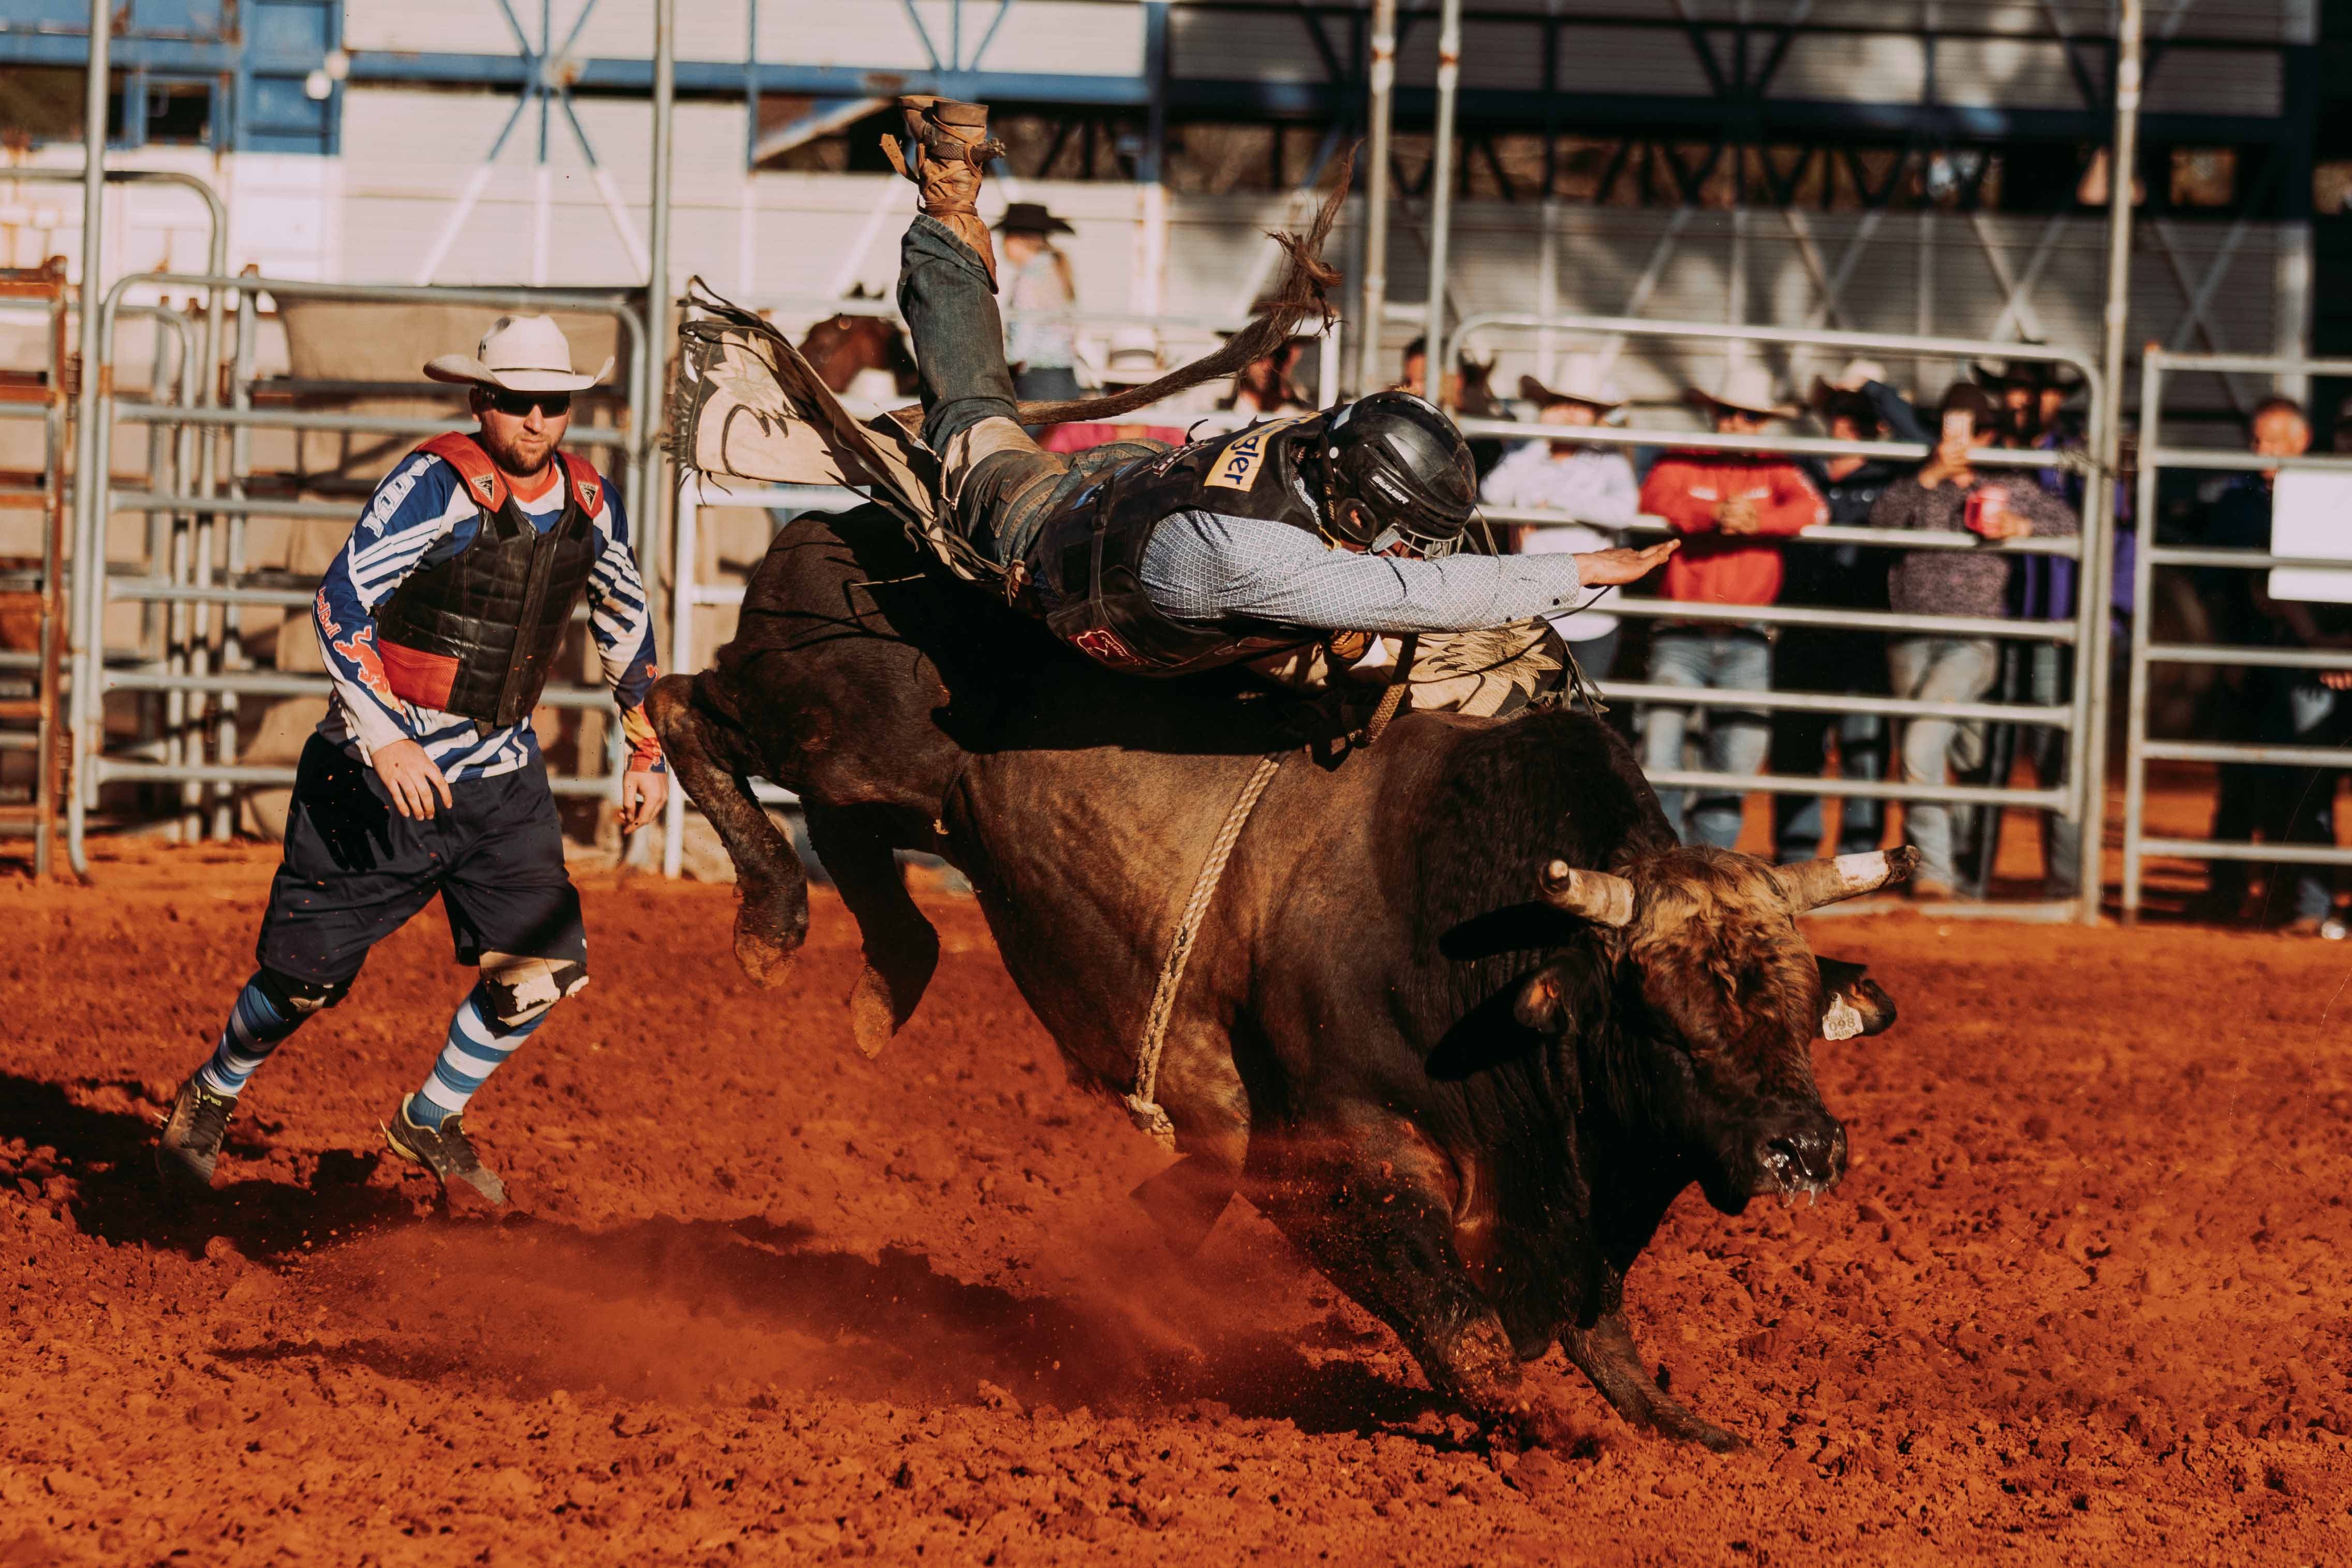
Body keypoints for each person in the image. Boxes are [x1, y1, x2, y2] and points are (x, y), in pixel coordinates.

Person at [881, 95, 1673, 679]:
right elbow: (1415, 590)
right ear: (1358, 511)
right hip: (1044, 530)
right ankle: (946, 197)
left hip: (1134, 493)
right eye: (1403, 532)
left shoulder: (1321, 441)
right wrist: (1581, 570)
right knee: (976, 418)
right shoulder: (1247, 553)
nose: (1415, 549)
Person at [154, 315, 667, 1205]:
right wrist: (384, 736)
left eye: (553, 403)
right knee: (304, 983)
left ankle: (430, 1115)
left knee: (545, 970)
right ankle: (216, 1087)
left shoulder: (592, 503)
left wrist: (646, 744)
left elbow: (624, 617)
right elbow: (342, 602)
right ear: (481, 402)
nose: (537, 420)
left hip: (499, 781)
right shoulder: (434, 486)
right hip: (373, 778)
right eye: (516, 403)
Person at [1870, 382, 2078, 900]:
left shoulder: (2006, 482)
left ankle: (1937, 874)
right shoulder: (1916, 481)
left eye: (1975, 430)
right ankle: (1945, 870)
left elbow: (2068, 521)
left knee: (1928, 746)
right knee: (1940, 751)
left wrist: (2021, 525)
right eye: (1951, 429)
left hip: (1973, 639)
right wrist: (1928, 477)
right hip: (1910, 639)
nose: (1963, 441)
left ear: (1990, 434)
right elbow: (1879, 523)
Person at [1635, 364, 1826, 849]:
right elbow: (1653, 500)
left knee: (1737, 759)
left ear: (1762, 423)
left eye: (1750, 416)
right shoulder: (1683, 459)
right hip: (1682, 628)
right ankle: (1664, 857)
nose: (1738, 424)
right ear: (1715, 414)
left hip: (1747, 633)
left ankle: (1710, 863)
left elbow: (1813, 508)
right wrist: (1711, 516)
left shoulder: (1777, 466)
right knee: (1660, 754)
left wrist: (1757, 519)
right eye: (1730, 413)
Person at [2207, 397, 2349, 935]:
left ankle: (2300, 899)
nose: (2262, 451)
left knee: (2299, 781)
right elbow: (2257, 586)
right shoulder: (2246, 499)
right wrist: (2319, 643)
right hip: (2287, 653)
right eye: (2258, 440)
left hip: (2307, 650)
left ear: (2302, 440)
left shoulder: (2317, 493)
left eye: (2275, 440)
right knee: (2286, 782)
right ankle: (2294, 901)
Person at [1773, 368, 1900, 863]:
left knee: (1862, 747)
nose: (1849, 423)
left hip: (1865, 629)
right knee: (1797, 745)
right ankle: (1796, 855)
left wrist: (1878, 394)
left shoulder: (1893, 473)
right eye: (1842, 411)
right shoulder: (1800, 469)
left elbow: (1923, 439)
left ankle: (1859, 858)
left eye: (1863, 414)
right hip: (1802, 625)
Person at [1477, 359, 1638, 679]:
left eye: (1581, 406)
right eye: (1561, 403)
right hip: (1533, 611)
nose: (1570, 414)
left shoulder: (1608, 460)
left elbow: (1625, 511)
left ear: (1595, 415)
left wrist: (1555, 504)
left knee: (1583, 713)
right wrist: (1540, 439)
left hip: (1592, 614)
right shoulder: (1527, 453)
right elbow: (1493, 494)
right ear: (1546, 407)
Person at [997, 201, 1081, 405]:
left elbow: (1022, 340)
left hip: (1038, 381)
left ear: (1016, 240)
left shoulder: (1029, 278)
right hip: (1064, 376)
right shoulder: (1056, 270)